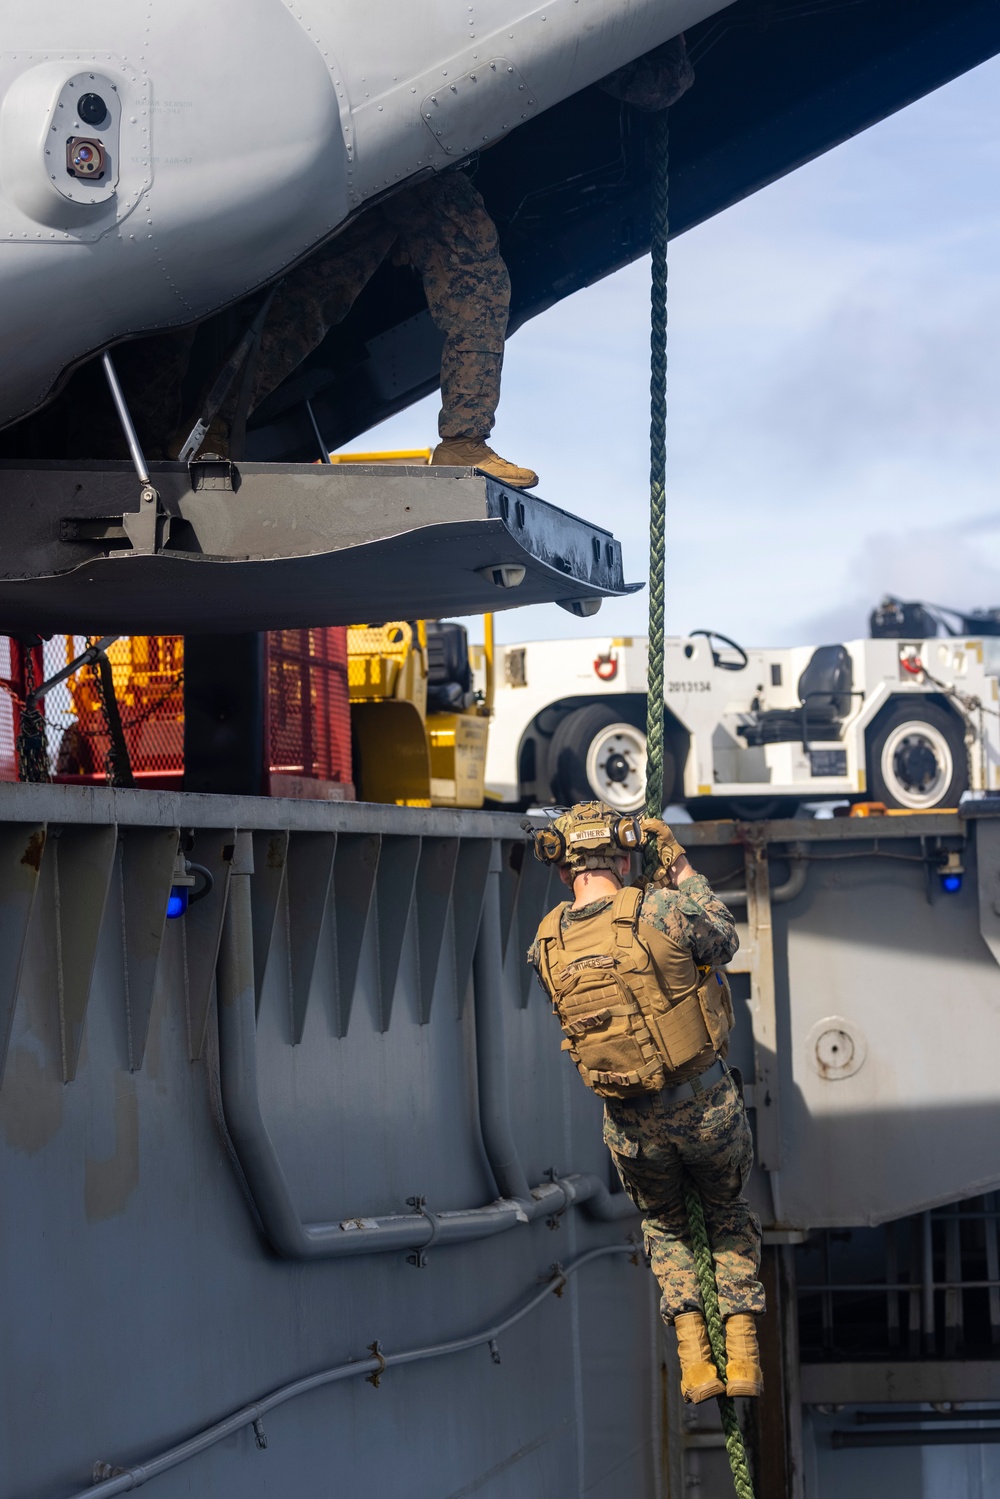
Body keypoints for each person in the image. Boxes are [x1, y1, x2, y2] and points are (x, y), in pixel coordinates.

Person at [527, 800, 764, 1404]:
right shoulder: (661, 908)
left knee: (666, 1225)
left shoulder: (546, 941)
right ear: (626, 854)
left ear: (563, 870)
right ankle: (741, 1359)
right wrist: (677, 863)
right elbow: (723, 937)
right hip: (705, 1106)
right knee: (724, 1213)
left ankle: (694, 1363)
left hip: (633, 1125)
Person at [190, 168, 538, 488]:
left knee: (316, 297)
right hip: (419, 152)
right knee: (478, 278)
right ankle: (465, 440)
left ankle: (209, 426)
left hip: (371, 161)